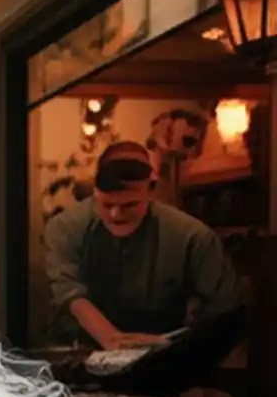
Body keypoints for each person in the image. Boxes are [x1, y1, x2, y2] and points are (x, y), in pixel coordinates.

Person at [44, 141, 241, 350]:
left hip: (166, 352)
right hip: (86, 351)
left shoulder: (192, 236)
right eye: (107, 204)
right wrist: (112, 339)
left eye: (129, 204)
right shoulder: (65, 227)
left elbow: (224, 309)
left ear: (150, 190)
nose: (115, 215)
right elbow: (68, 291)